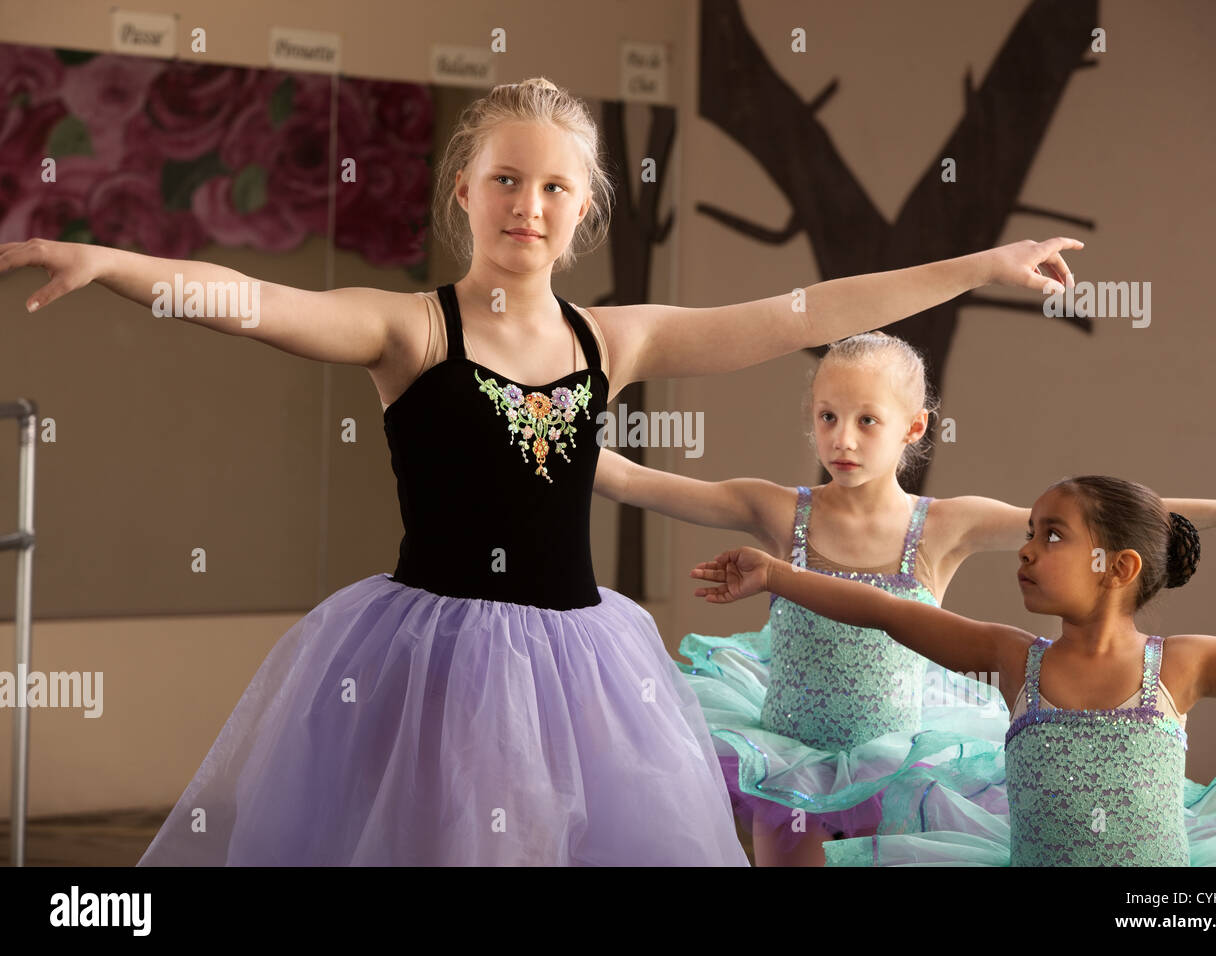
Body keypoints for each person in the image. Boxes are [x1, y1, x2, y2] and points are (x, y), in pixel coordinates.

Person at [1, 76, 1086, 865]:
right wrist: (113, 263)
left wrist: (978, 266)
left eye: (554, 188)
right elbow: (256, 302)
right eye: (505, 179)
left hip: (584, 661)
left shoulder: (613, 340)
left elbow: (802, 311)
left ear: (582, 212)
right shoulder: (409, 328)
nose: (528, 202)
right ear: (462, 193)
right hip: (432, 658)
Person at [595, 331, 1216, 865]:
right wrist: (523, 423)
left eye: (867, 420)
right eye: (827, 416)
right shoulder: (779, 511)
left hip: (903, 759)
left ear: (914, 429)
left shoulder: (944, 524)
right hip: (791, 753)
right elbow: (630, 482)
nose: (842, 437)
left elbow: (1102, 520)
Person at [690, 474, 1216, 865]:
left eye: (1053, 535)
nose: (1027, 548)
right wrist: (776, 575)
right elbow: (881, 611)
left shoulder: (1182, 665)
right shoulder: (1014, 661)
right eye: (1029, 532)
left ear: (1118, 568)